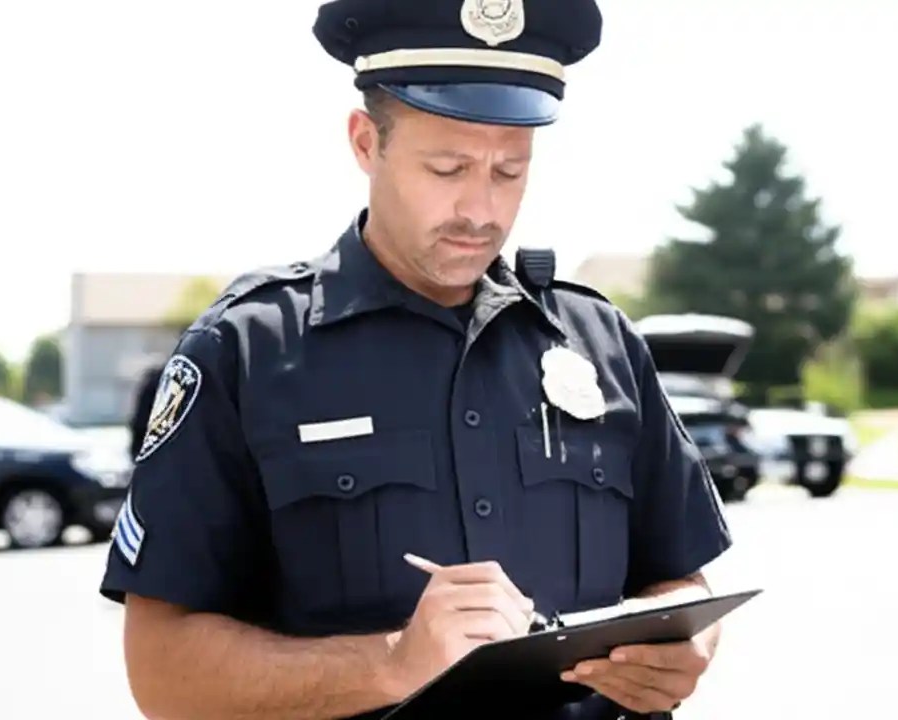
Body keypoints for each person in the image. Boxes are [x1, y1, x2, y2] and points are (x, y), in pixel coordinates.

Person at [98, 1, 734, 719]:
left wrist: (688, 645)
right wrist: (390, 663)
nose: (480, 209)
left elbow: (681, 581)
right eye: (447, 167)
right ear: (366, 143)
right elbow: (161, 671)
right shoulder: (245, 354)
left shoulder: (602, 340)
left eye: (509, 171)